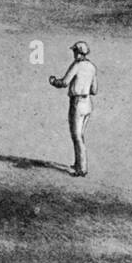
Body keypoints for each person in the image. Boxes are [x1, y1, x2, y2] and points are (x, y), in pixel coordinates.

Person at [49, 41, 98, 177]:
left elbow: (64, 83)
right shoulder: (92, 67)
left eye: (74, 51)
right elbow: (94, 90)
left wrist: (53, 81)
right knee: (80, 135)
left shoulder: (77, 65)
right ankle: (78, 163)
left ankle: (81, 169)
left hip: (77, 103)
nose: (73, 54)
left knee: (76, 136)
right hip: (88, 103)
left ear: (78, 52)